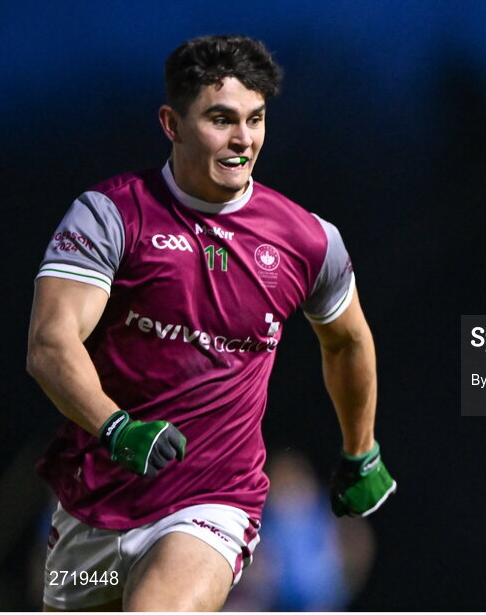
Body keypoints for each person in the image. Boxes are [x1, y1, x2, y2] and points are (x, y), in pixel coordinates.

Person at [27, 35, 396, 611]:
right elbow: (51, 344)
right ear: (171, 122)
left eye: (255, 119)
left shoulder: (307, 240)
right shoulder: (110, 216)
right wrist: (116, 428)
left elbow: (348, 340)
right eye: (221, 119)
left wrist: (361, 450)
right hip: (93, 501)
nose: (243, 140)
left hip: (213, 500)